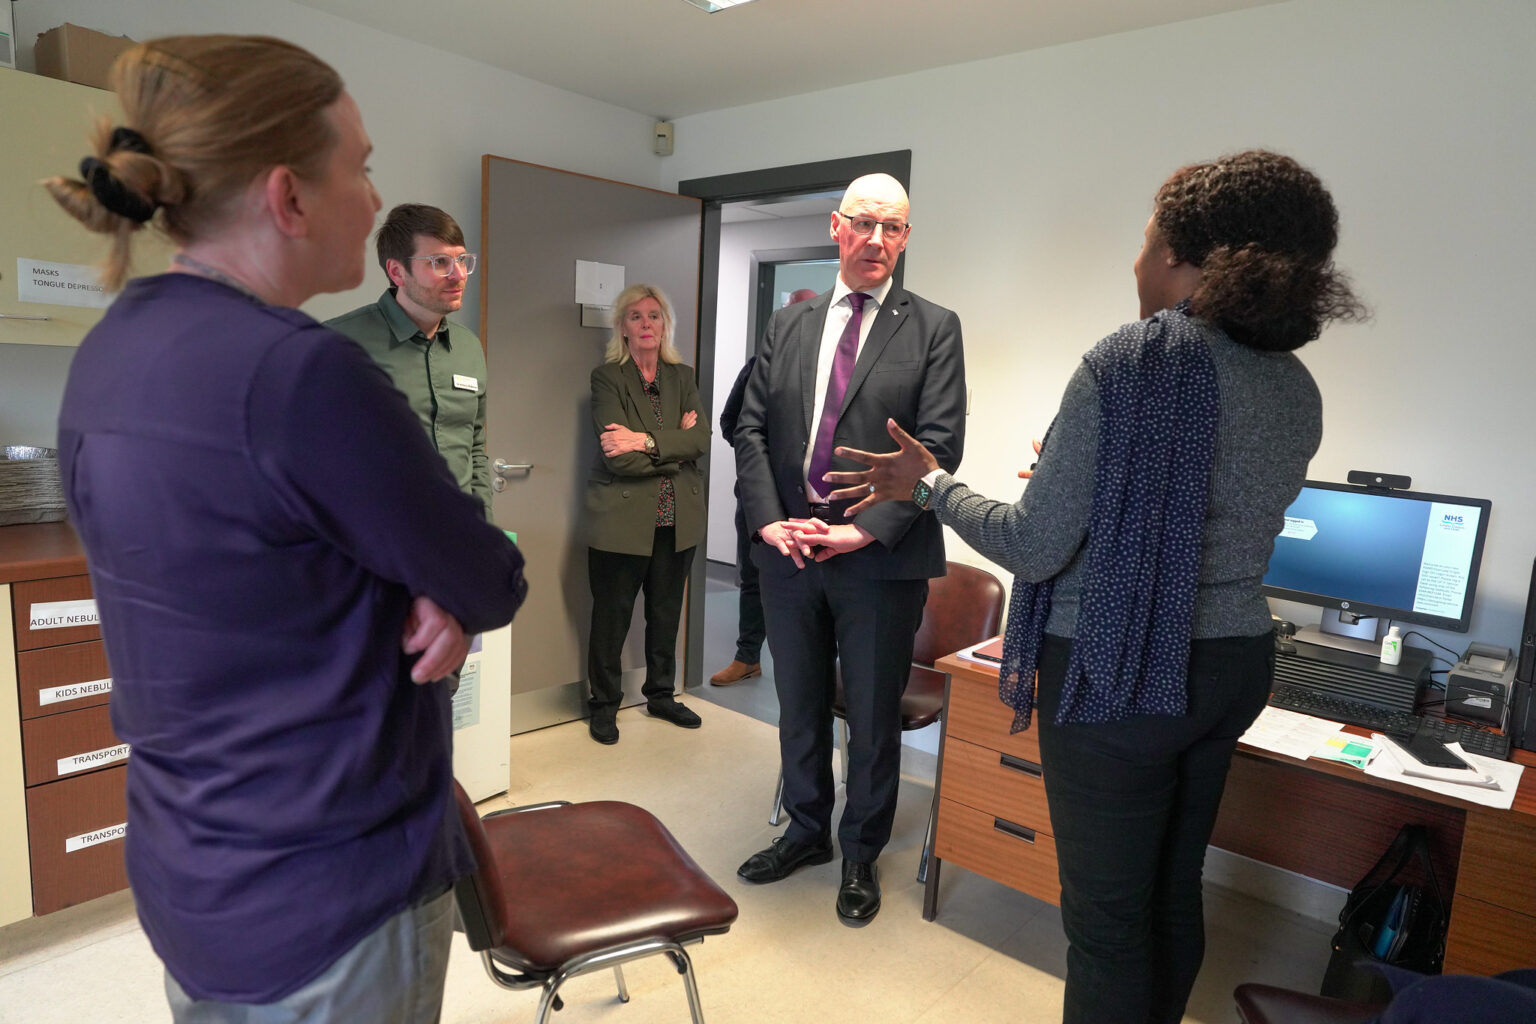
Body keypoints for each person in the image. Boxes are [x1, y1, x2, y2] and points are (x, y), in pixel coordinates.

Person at [45, 34, 527, 1023]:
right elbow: (488, 575)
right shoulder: (306, 375)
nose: (372, 196)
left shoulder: (112, 350)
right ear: (288, 197)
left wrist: (415, 578)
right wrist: (438, 587)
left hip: (195, 871)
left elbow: (254, 568)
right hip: (332, 888)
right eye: (360, 168)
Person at [826, 151, 1366, 1020]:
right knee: (1172, 889)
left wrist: (928, 485)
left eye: (1148, 243)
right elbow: (1214, 508)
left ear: (1185, 258)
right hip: (1233, 663)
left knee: (1108, 923)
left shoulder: (1128, 364)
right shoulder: (1293, 385)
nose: (1136, 261)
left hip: (1119, 671)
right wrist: (1097, 484)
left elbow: (1034, 546)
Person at [732, 173, 966, 925]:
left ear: (906, 237)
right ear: (837, 227)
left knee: (870, 716)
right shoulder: (789, 324)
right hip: (791, 550)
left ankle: (860, 851)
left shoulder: (933, 327)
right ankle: (806, 832)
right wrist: (769, 521)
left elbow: (939, 447)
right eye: (864, 223)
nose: (877, 240)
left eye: (892, 227)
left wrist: (863, 530)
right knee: (799, 706)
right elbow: (751, 428)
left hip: (880, 560)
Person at [584, 283, 710, 744]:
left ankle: (660, 695)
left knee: (666, 612)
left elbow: (701, 440)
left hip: (678, 520)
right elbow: (617, 457)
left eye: (654, 316)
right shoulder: (607, 378)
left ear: (665, 325)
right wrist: (674, 447)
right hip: (621, 520)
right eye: (635, 316)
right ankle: (604, 705)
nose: (646, 324)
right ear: (622, 326)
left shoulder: (683, 377)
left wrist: (644, 440)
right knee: (611, 617)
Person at [328, 204, 490, 516]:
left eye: (461, 260)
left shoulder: (468, 347)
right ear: (397, 272)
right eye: (439, 262)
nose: (458, 275)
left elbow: (474, 448)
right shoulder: (338, 344)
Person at [709, 287, 817, 687]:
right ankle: (748, 657)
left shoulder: (838, 369)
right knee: (755, 577)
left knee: (816, 582)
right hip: (760, 496)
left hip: (815, 502)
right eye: (791, 314)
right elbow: (731, 423)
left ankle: (810, 667)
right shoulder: (757, 367)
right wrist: (765, 457)